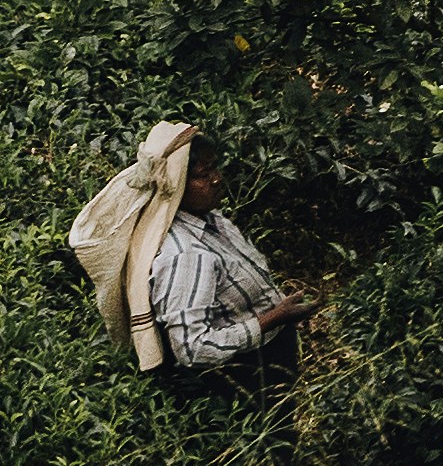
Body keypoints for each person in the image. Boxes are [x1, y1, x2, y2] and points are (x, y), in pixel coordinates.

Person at [65, 123, 312, 376]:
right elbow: (192, 348)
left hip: (268, 360)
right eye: (203, 174)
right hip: (244, 377)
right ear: (178, 181)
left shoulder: (211, 220)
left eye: (214, 167)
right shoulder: (186, 255)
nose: (216, 179)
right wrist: (275, 318)